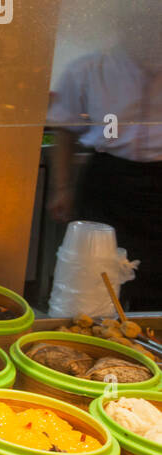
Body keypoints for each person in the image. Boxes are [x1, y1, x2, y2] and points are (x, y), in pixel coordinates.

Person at [48, 21, 162, 309]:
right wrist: (63, 188)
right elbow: (65, 129)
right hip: (108, 178)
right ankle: (93, 337)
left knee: (156, 280)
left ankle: (147, 342)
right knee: (92, 276)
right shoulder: (89, 69)